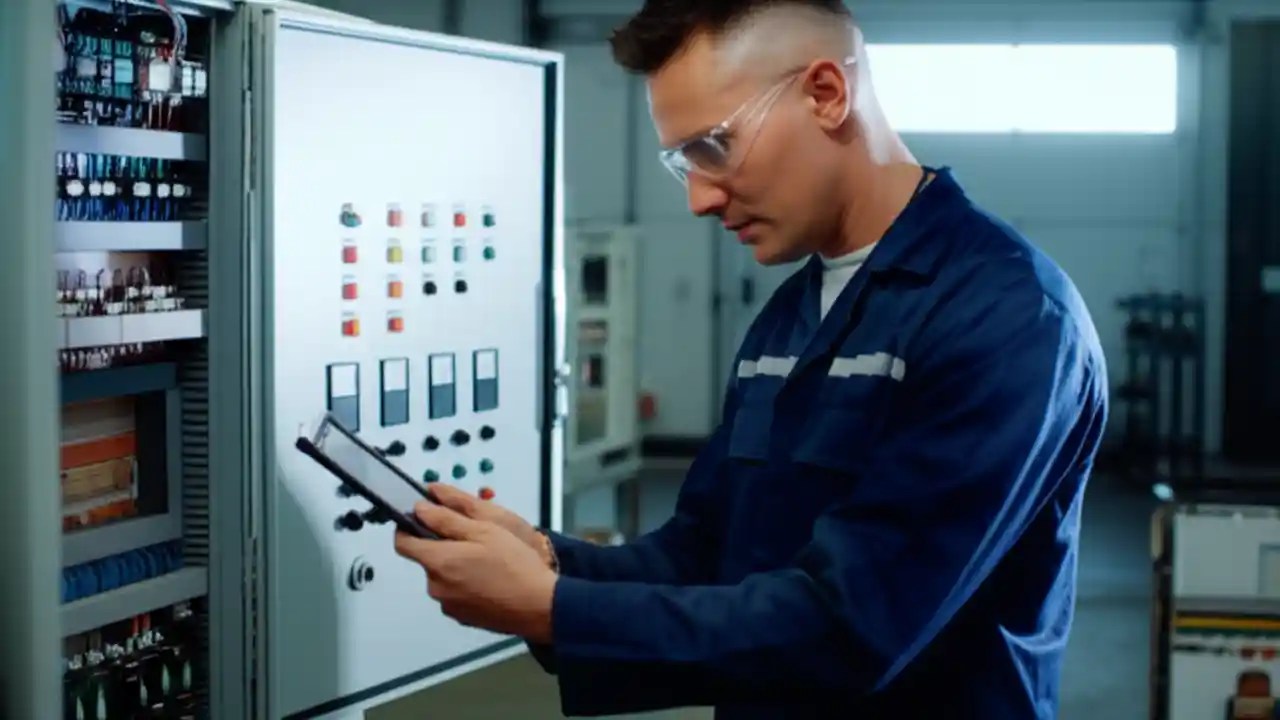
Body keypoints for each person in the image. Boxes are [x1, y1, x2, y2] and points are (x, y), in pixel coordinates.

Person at [392, 1, 1109, 717]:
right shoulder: (791, 315)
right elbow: (703, 554)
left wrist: (554, 610)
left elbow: (853, 628)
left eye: (714, 147)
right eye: (683, 164)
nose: (700, 198)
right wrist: (550, 561)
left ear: (826, 94)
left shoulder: (1005, 314)